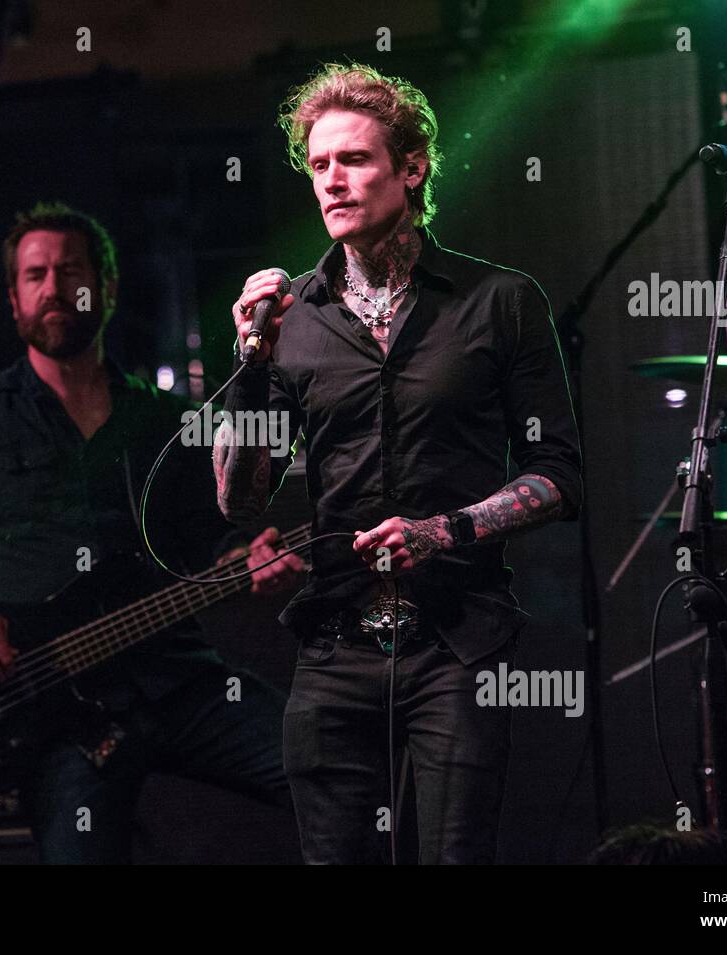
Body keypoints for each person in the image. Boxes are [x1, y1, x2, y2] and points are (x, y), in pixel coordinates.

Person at [214, 63, 583, 864]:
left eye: (355, 160)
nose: (333, 182)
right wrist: (248, 363)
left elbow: (558, 474)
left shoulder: (499, 300)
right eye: (319, 166)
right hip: (334, 646)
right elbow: (241, 501)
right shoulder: (292, 321)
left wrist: (444, 531)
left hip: (455, 642)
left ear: (411, 167)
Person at [0, 201, 303, 863]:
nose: (52, 287)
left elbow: (201, 541)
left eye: (70, 270)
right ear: (14, 299)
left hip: (175, 678)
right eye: (34, 274)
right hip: (56, 712)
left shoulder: (167, 419)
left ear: (106, 288)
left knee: (326, 763)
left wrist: (243, 560)